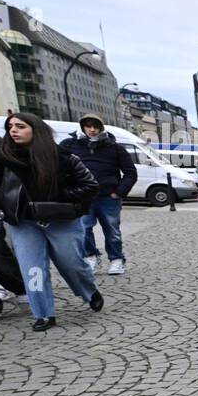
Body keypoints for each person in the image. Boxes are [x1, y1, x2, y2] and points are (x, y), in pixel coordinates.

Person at [0, 112, 103, 331]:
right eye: (10, 126)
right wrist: (6, 200)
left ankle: (89, 291)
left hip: (61, 220)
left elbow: (90, 187)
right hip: (23, 222)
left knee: (72, 264)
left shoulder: (61, 156)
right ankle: (43, 313)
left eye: (20, 126)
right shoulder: (3, 157)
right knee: (33, 269)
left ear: (36, 129)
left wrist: (58, 198)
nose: (13, 131)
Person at [60, 114, 136, 275]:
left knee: (112, 230)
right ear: (83, 127)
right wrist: (70, 191)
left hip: (108, 197)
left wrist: (119, 192)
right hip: (83, 196)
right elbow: (58, 168)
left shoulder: (114, 147)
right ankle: (91, 256)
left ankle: (116, 259)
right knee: (83, 229)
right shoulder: (70, 145)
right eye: (88, 126)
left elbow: (130, 172)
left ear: (101, 127)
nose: (92, 130)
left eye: (96, 127)